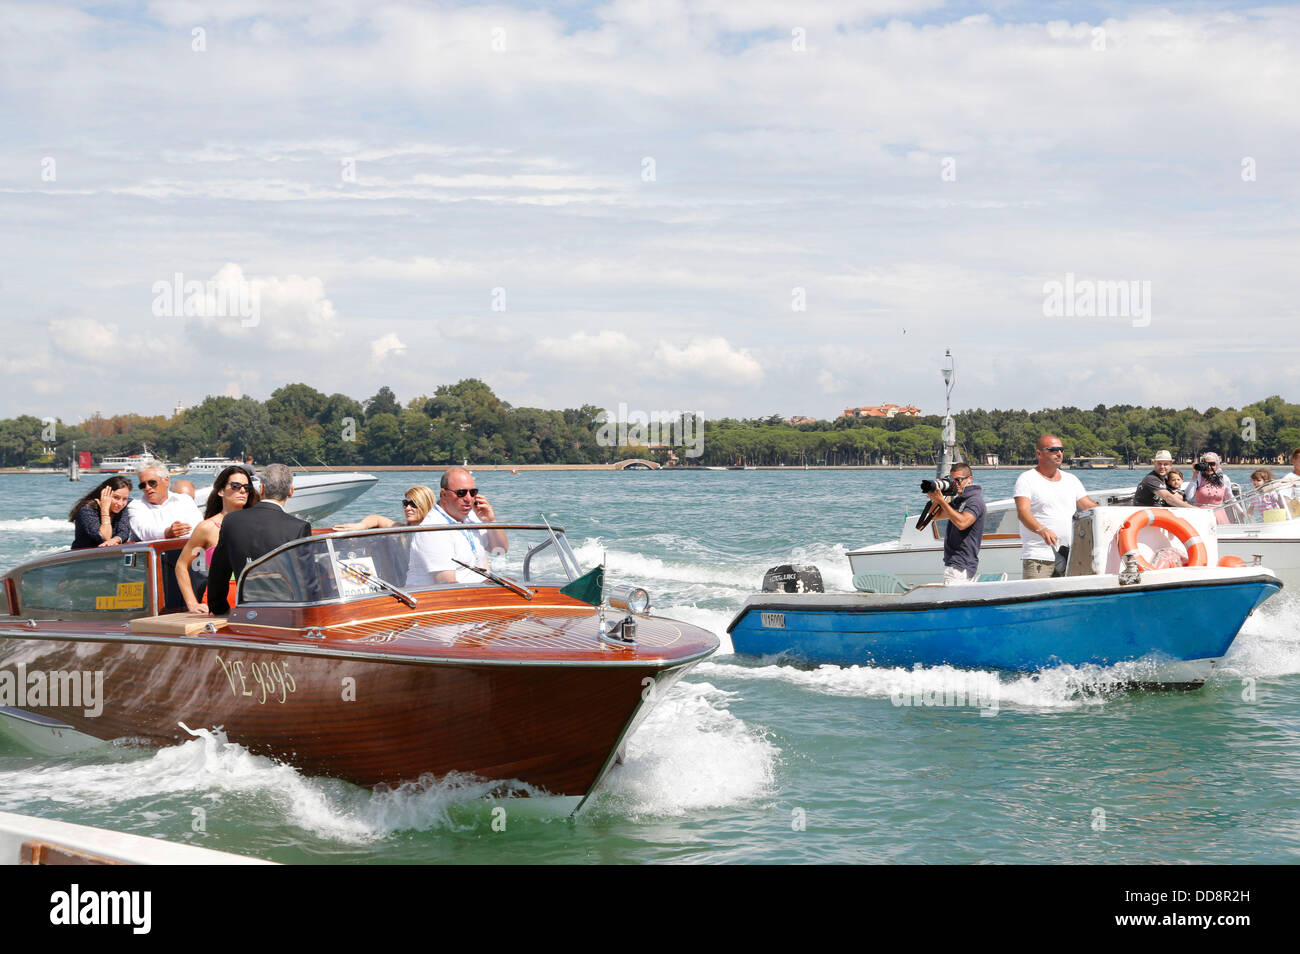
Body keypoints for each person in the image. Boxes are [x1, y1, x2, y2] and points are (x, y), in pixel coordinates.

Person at [206, 464, 311, 615]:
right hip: (285, 613)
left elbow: (218, 572)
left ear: (261, 489)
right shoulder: (299, 527)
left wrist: (219, 609)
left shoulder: (231, 521)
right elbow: (305, 578)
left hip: (247, 611)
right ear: (291, 491)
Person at [174, 466, 260, 614]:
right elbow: (181, 565)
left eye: (247, 487)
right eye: (235, 486)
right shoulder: (207, 527)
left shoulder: (257, 524)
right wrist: (192, 603)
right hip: (219, 602)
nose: (242, 491)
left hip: (254, 598)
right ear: (221, 491)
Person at [1014, 435, 1098, 578]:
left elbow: (1089, 507)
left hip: (1071, 555)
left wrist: (1114, 513)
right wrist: (1042, 530)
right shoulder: (1026, 479)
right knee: (1038, 600)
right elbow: (1023, 512)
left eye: (1061, 449)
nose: (1059, 453)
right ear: (1039, 453)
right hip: (1039, 557)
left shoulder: (1071, 480)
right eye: (1053, 450)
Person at [407, 467, 507, 586]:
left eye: (473, 492)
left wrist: (490, 521)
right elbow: (446, 584)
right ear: (444, 494)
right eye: (461, 493)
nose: (468, 498)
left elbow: (500, 550)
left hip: (476, 590)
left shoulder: (471, 517)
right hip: (439, 598)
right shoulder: (433, 529)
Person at [924, 463, 986, 583]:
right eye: (952, 480)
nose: (955, 484)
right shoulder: (959, 501)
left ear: (970, 480)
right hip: (955, 564)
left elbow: (962, 523)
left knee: (953, 600)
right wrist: (938, 497)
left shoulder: (975, 501)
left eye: (958, 480)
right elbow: (934, 516)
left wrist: (942, 501)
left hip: (961, 565)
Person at [124, 461, 202, 541]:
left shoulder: (185, 500)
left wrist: (176, 532)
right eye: (143, 485)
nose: (147, 488)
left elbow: (198, 527)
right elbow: (143, 532)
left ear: (166, 480)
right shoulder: (135, 505)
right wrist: (167, 533)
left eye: (152, 483)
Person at [69, 476, 135, 549]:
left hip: (108, 555)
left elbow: (124, 531)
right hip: (83, 555)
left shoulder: (125, 506)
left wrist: (115, 540)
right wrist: (105, 510)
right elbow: (104, 537)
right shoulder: (87, 510)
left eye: (125, 499)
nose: (120, 503)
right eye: (116, 497)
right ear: (104, 494)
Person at [333, 486, 436, 530]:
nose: (407, 508)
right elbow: (377, 519)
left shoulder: (435, 530)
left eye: (413, 504)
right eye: (405, 503)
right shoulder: (402, 529)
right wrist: (361, 525)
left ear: (426, 505)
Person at [1183, 452, 1237, 524]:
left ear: (1217, 464)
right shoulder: (1199, 477)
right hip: (1201, 516)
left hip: (1219, 516)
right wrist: (1195, 475)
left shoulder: (1224, 479)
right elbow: (1188, 497)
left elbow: (1230, 498)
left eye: (1212, 464)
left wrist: (1242, 512)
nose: (1209, 467)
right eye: (1206, 464)